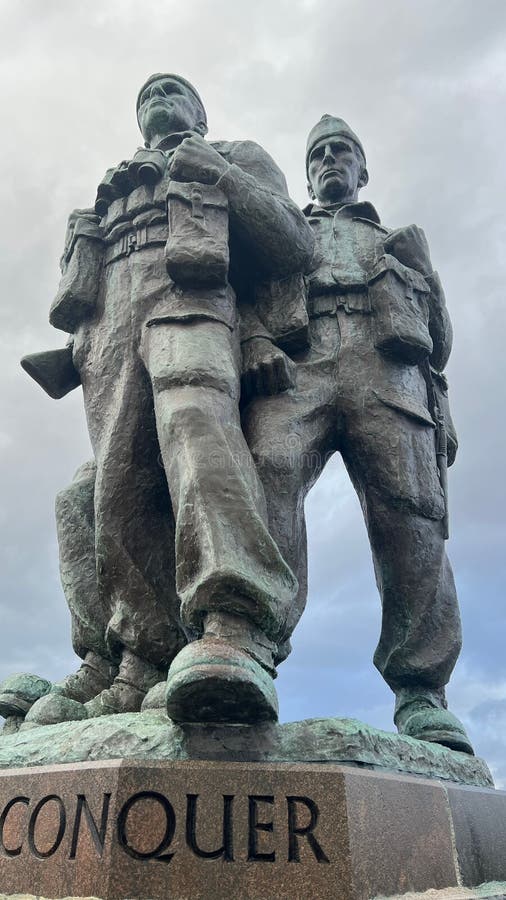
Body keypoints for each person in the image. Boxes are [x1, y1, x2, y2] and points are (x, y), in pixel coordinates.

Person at [0, 74, 314, 728]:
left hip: (191, 305)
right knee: (116, 484)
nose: (157, 99)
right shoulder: (116, 178)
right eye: (145, 94)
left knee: (198, 430)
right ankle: (144, 655)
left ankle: (235, 623)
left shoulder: (235, 154)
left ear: (199, 109)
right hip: (109, 329)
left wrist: (220, 175)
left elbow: (292, 242)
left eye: (171, 90)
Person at [243, 114, 473, 753]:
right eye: (319, 154)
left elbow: (442, 344)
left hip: (389, 368)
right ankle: (251, 648)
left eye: (342, 152)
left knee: (412, 517)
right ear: (308, 168)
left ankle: (422, 691)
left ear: (362, 168)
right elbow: (250, 302)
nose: (330, 161)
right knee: (265, 476)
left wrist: (428, 274)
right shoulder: (286, 228)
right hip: (301, 361)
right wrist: (258, 341)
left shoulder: (396, 238)